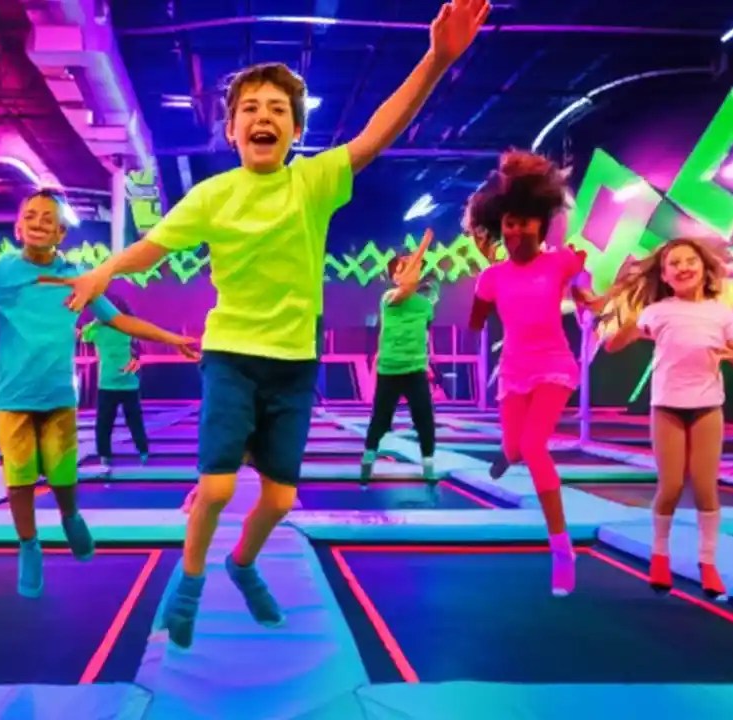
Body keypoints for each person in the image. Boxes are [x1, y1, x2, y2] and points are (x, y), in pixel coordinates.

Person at [45, 0, 493, 648]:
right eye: (250, 109)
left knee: (280, 501)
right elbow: (154, 248)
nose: (263, 117)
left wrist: (437, 58)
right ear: (231, 131)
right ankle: (192, 579)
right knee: (218, 485)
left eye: (278, 110)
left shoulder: (312, 182)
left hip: (293, 362)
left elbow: (376, 133)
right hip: (230, 354)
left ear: (294, 131)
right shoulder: (212, 196)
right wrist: (100, 274)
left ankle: (243, 562)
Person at [0, 190, 197, 598]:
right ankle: (29, 545)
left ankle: (71, 516)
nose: (38, 222)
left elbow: (119, 319)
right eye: (30, 216)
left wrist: (169, 338)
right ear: (18, 227)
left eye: (47, 218)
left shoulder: (77, 276)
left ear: (60, 231)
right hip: (11, 397)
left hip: (57, 397)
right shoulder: (2, 273)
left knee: (62, 471)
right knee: (18, 476)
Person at [466, 150, 600, 597]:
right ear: (499, 226)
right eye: (510, 223)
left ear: (541, 225)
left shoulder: (560, 262)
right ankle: (509, 453)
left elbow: (584, 288)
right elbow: (477, 321)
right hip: (514, 370)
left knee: (533, 446)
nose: (517, 230)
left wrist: (588, 300)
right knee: (513, 447)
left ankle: (561, 547)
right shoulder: (492, 278)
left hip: (553, 367)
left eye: (526, 222)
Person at [600, 237, 733, 599]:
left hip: (708, 406)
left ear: (703, 268)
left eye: (689, 261)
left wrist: (732, 355)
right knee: (669, 487)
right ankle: (660, 555)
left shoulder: (720, 312)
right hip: (667, 406)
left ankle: (708, 562)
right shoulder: (658, 311)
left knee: (704, 488)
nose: (683, 268)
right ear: (665, 276)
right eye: (674, 264)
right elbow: (612, 345)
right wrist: (630, 323)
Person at [361, 229, 439, 483]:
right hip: (390, 369)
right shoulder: (389, 298)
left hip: (415, 369)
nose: (409, 270)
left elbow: (424, 333)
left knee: (424, 418)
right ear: (395, 277)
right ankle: (368, 459)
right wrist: (423, 246)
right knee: (381, 419)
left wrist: (427, 363)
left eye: (413, 267)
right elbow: (406, 287)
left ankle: (428, 464)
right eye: (403, 268)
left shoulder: (426, 305)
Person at [82, 292, 150, 467]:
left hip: (110, 384)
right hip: (125, 383)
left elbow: (84, 335)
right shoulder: (128, 327)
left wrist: (96, 322)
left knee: (105, 423)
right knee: (133, 420)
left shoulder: (98, 329)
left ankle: (107, 456)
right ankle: (142, 452)